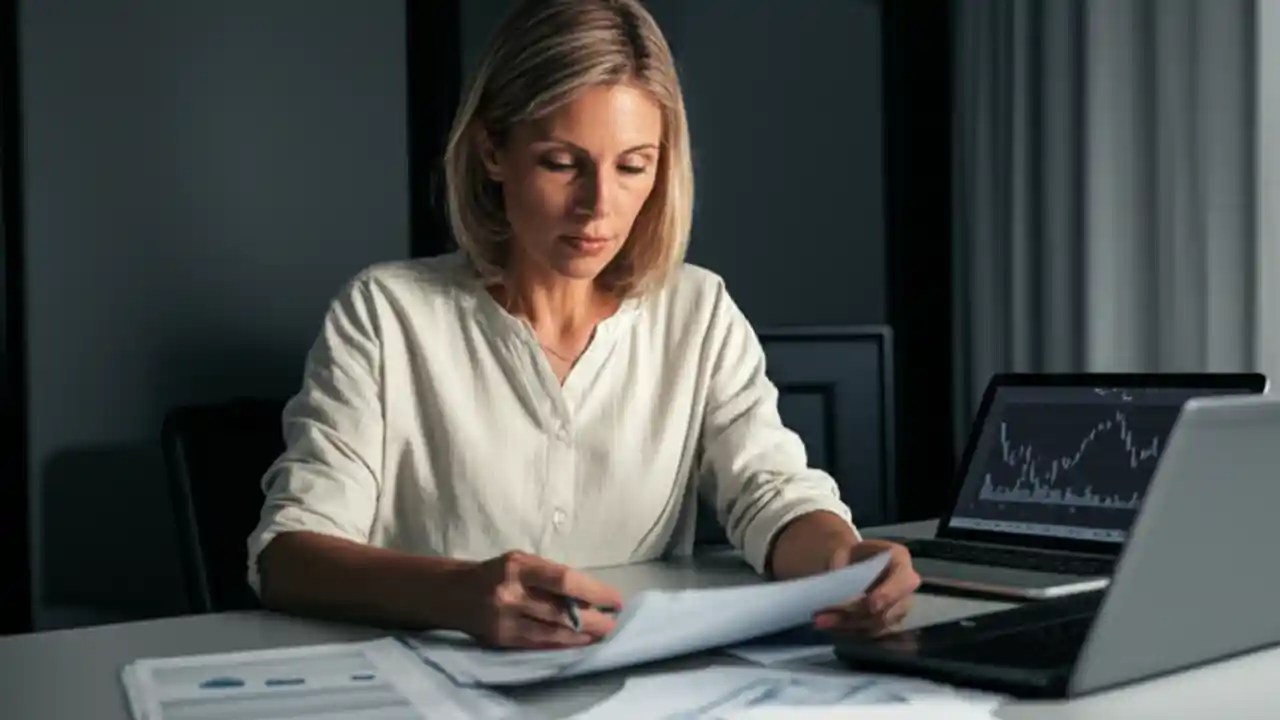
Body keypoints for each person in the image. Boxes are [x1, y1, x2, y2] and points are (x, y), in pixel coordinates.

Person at [248, 0, 919, 650]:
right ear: (491, 151)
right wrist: (457, 592)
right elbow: (288, 555)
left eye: (633, 166)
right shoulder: (388, 314)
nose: (598, 206)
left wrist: (846, 562)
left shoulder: (698, 311)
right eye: (561, 162)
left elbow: (771, 494)